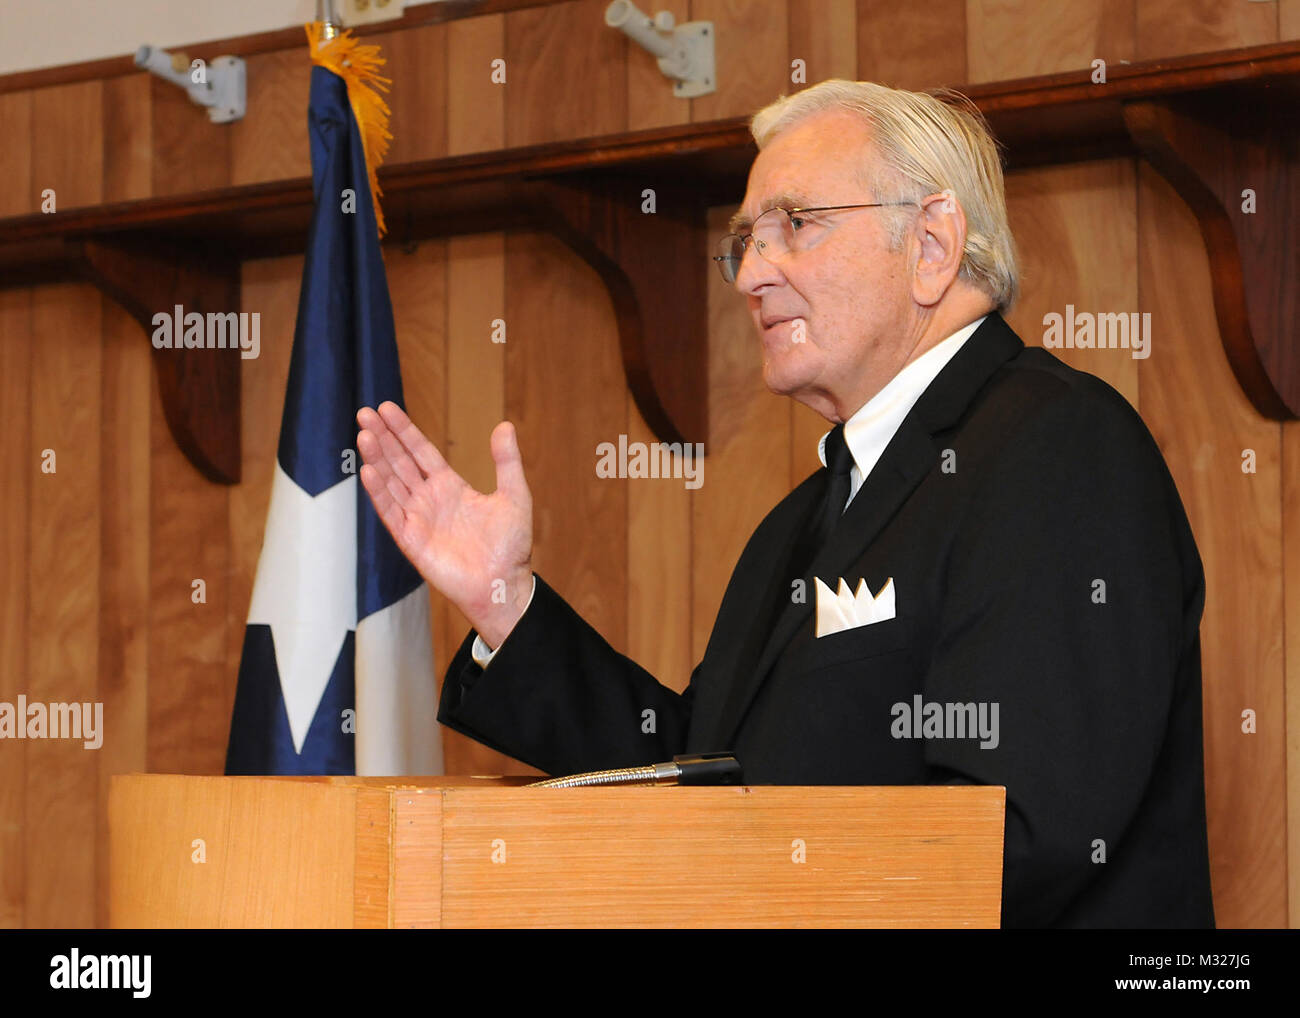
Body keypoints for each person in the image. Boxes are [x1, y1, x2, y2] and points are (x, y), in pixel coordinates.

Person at [355, 79, 1214, 928]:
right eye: (745, 242)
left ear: (932, 244)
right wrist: (505, 603)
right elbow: (704, 782)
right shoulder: (802, 519)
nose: (751, 276)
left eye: (795, 226)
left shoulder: (1058, 447)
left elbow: (1012, 835)